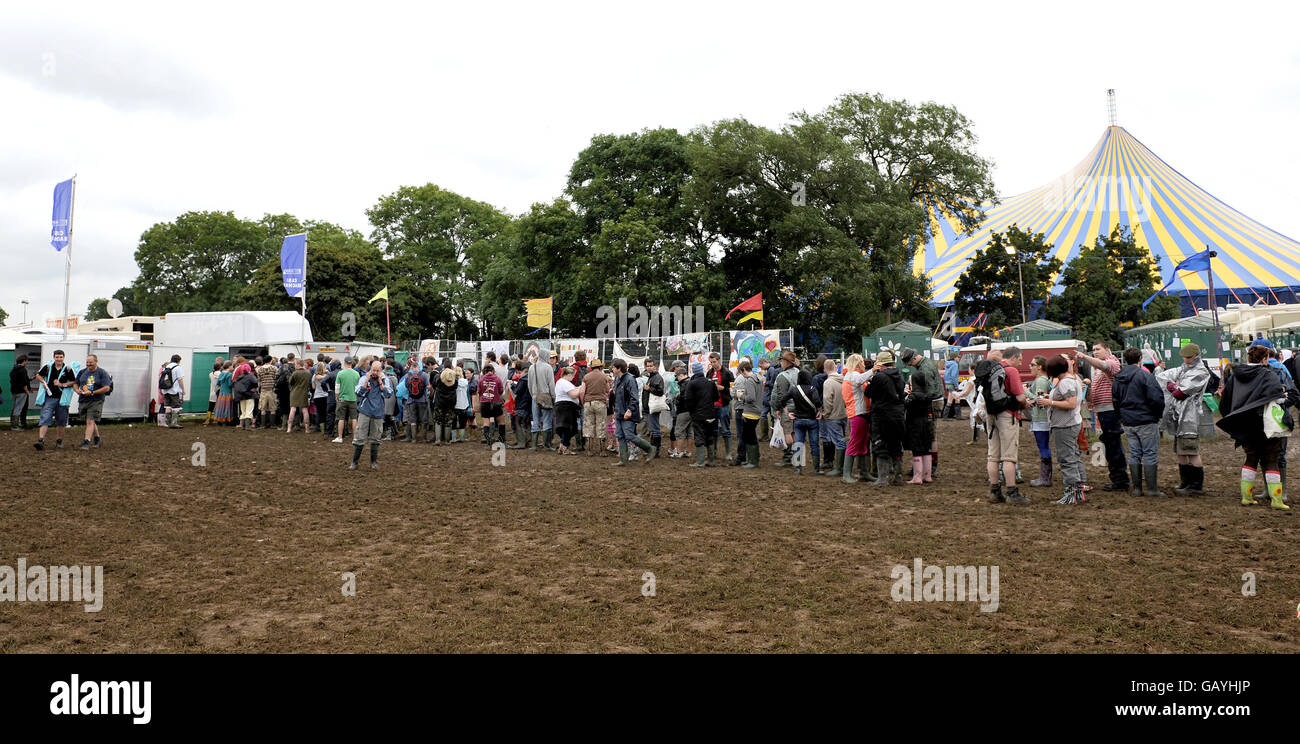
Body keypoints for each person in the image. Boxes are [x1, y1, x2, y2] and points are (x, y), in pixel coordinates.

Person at [1218, 344, 1293, 510]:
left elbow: (1225, 402)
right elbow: (1277, 396)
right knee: (1271, 460)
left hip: (1245, 425)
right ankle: (1277, 500)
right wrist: (1284, 396)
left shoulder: (1235, 375)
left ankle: (1247, 497)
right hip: (1265, 424)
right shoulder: (1268, 374)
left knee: (1250, 459)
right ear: (1265, 358)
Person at [1155, 343, 1212, 496]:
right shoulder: (1185, 368)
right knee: (1181, 450)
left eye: (1189, 357)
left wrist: (1172, 386)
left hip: (1189, 418)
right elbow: (1162, 378)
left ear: (1196, 356)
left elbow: (1181, 393)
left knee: (1191, 450)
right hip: (1179, 417)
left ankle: (1196, 485)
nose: (1186, 360)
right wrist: (1174, 385)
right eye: (1185, 357)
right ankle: (1186, 482)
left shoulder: (1200, 371)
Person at [1075, 341, 1130, 492]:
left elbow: (1104, 366)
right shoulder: (1098, 369)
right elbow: (1093, 396)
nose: (1095, 352)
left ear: (1108, 349)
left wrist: (1084, 356)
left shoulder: (1112, 362)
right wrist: (1086, 391)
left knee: (1113, 444)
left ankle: (1120, 480)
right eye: (1093, 350)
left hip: (1110, 410)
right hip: (1103, 409)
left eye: (1098, 349)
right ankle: (1117, 478)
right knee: (1110, 444)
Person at [1112, 347, 1167, 497]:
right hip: (1146, 420)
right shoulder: (1145, 376)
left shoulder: (1118, 378)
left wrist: (1121, 417)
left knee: (1134, 453)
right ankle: (1152, 489)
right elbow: (1156, 398)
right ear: (1140, 359)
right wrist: (1157, 415)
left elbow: (1115, 401)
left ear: (1125, 359)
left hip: (1128, 421)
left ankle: (1137, 488)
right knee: (1149, 453)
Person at [1036, 354, 1086, 505]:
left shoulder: (1065, 383)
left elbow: (1070, 404)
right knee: (1071, 457)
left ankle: (1071, 494)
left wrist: (1049, 401)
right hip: (1070, 423)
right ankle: (1077, 493)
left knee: (1067, 459)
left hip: (1065, 425)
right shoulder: (1071, 380)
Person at [982, 347, 1029, 504]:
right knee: (1009, 455)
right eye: (1021, 359)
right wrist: (1025, 404)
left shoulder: (991, 369)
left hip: (991, 414)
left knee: (993, 455)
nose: (1021, 362)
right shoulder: (1011, 371)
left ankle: (994, 491)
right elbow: (1021, 397)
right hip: (1008, 415)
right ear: (1014, 357)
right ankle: (1011, 492)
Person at [866, 351, 906, 486]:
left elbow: (868, 392)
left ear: (881, 364)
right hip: (898, 415)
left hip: (881, 416)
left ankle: (882, 478)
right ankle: (898, 476)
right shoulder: (899, 375)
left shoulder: (880, 377)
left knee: (880, 445)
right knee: (896, 445)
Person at [900, 348, 938, 485]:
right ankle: (928, 476)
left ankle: (917, 476)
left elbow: (904, 404)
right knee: (927, 449)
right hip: (926, 424)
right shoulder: (927, 396)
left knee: (917, 451)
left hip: (915, 425)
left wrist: (906, 395)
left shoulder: (913, 397)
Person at [775, 367, 822, 475]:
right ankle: (816, 469)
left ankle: (798, 468)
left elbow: (782, 401)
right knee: (814, 444)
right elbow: (817, 401)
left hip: (798, 420)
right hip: (811, 420)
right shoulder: (812, 388)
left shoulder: (794, 389)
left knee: (798, 443)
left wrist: (787, 413)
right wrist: (820, 411)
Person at [350, 361, 393, 471]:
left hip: (378, 412)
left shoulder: (385, 379)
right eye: (373, 370)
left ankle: (373, 462)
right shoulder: (364, 378)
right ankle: (354, 462)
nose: (375, 372)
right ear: (370, 369)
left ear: (381, 370)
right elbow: (358, 393)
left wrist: (380, 382)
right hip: (365, 411)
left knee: (376, 438)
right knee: (360, 437)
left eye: (377, 371)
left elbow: (388, 394)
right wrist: (366, 381)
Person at [611, 358, 654, 465]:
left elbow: (634, 397)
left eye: (613, 367)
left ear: (619, 368)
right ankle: (623, 460)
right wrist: (615, 410)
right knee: (620, 435)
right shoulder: (617, 379)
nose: (611, 369)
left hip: (628, 413)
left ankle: (650, 449)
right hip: (620, 412)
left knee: (629, 435)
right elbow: (616, 396)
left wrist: (629, 410)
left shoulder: (630, 379)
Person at [33, 349, 77, 450]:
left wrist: (62, 384)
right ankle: (40, 441)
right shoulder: (48, 367)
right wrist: (44, 382)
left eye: (61, 357)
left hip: (62, 399)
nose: (59, 359)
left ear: (63, 357)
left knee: (61, 421)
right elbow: (38, 375)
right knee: (45, 418)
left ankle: (59, 441)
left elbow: (73, 382)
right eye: (57, 357)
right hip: (49, 398)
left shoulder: (68, 369)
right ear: (54, 357)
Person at [679, 361, 719, 467]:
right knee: (710, 436)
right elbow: (716, 397)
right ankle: (711, 460)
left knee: (699, 436)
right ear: (702, 370)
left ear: (693, 371)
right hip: (711, 413)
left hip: (698, 415)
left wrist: (692, 411)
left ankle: (700, 461)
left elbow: (687, 399)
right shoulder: (710, 382)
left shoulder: (692, 383)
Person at [841, 354, 872, 484]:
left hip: (861, 413)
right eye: (863, 363)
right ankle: (846, 475)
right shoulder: (853, 375)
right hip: (857, 413)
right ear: (858, 364)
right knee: (855, 442)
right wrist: (874, 369)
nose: (864, 365)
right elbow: (861, 379)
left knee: (863, 443)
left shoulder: (852, 376)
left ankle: (864, 473)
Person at [74, 353, 113, 450]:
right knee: (90, 420)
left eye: (91, 362)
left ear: (96, 361)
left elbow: (106, 388)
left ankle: (86, 442)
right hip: (83, 399)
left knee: (90, 420)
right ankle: (97, 438)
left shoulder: (102, 373)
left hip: (96, 400)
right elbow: (75, 383)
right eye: (87, 362)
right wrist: (77, 390)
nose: (88, 364)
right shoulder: (82, 372)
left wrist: (92, 392)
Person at [769, 351, 800, 468]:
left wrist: (777, 408)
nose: (780, 362)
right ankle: (797, 458)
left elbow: (780, 396)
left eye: (782, 360)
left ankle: (788, 458)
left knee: (788, 433)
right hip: (798, 408)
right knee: (796, 433)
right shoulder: (799, 373)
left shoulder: (783, 376)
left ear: (787, 362)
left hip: (787, 409)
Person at [1026, 356, 1053, 487]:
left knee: (1043, 447)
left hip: (1041, 419)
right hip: (1042, 419)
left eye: (1032, 364)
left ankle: (1045, 478)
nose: (1029, 367)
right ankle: (1045, 477)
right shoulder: (1043, 380)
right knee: (1044, 447)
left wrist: (1026, 392)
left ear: (1039, 367)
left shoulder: (1041, 380)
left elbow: (1041, 401)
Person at [707, 352, 736, 465]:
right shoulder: (709, 373)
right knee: (713, 430)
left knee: (725, 429)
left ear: (719, 360)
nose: (713, 364)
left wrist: (722, 388)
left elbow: (733, 388)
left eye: (714, 362)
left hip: (724, 403)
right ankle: (713, 452)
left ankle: (728, 453)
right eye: (711, 362)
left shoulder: (727, 373)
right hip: (713, 404)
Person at [735, 359, 764, 467]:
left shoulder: (749, 381)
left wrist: (740, 396)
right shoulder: (758, 378)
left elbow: (751, 398)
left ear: (743, 370)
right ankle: (753, 459)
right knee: (750, 435)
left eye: (741, 372)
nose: (742, 375)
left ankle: (753, 461)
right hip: (756, 411)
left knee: (749, 436)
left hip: (750, 412)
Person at [820, 358, 846, 477]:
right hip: (843, 414)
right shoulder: (843, 379)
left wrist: (825, 414)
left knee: (839, 441)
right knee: (842, 439)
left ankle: (839, 468)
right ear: (835, 367)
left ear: (825, 369)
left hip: (833, 416)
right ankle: (841, 466)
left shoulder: (828, 382)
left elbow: (827, 401)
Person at [580, 359, 610, 457]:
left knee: (589, 426)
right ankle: (602, 451)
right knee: (601, 425)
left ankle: (589, 450)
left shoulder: (586, 377)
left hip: (588, 403)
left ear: (591, 367)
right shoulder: (604, 377)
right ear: (600, 367)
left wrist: (583, 401)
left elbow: (582, 391)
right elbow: (607, 390)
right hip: (600, 403)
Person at [528, 352, 556, 451]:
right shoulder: (548, 368)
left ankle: (534, 446)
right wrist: (553, 397)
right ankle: (546, 445)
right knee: (547, 420)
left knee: (535, 420)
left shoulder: (532, 367)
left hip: (535, 397)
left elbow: (529, 385)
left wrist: (534, 396)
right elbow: (551, 385)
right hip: (546, 397)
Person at [554, 366, 582, 455]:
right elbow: (574, 395)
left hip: (565, 406)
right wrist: (582, 388)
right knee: (568, 427)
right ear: (569, 375)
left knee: (566, 427)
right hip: (566, 407)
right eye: (573, 376)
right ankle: (565, 447)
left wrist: (578, 388)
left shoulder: (562, 382)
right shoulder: (564, 382)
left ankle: (562, 446)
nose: (573, 377)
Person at [332, 357, 361, 443]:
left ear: (344, 363)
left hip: (342, 399)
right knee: (354, 418)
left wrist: (336, 397)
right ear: (352, 363)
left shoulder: (340, 373)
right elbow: (358, 387)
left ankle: (340, 437)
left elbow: (337, 387)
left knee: (341, 418)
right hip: (353, 398)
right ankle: (355, 438)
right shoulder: (356, 374)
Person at [401, 361, 430, 442]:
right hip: (422, 400)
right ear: (418, 367)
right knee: (423, 419)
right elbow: (428, 386)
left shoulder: (407, 375)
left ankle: (414, 439)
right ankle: (424, 438)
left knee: (412, 419)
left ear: (411, 368)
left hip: (411, 400)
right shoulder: (424, 375)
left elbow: (407, 387)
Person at [432, 367, 459, 445]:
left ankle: (438, 440)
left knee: (438, 421)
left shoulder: (438, 379)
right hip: (450, 403)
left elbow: (434, 385)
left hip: (439, 403)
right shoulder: (455, 381)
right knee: (448, 421)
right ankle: (447, 440)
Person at [160, 354, 186, 429]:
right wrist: (183, 389)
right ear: (178, 360)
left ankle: (168, 423)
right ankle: (174, 423)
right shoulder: (178, 367)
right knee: (176, 406)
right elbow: (180, 379)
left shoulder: (167, 367)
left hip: (165, 389)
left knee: (167, 406)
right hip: (174, 390)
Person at [286, 359, 311, 433]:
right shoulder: (308, 373)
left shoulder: (295, 373)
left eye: (295, 364)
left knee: (293, 410)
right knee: (305, 410)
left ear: (298, 364)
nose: (294, 365)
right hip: (304, 393)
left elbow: (290, 382)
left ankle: (289, 428)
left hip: (294, 393)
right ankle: (307, 429)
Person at [257, 356, 279, 431]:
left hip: (263, 390)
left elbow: (259, 381)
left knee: (263, 408)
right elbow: (276, 379)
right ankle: (272, 424)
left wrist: (258, 390)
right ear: (270, 360)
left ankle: (263, 424)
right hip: (272, 390)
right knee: (272, 408)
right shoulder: (274, 368)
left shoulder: (260, 369)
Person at [942, 353, 961, 418]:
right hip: (952, 384)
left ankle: (957, 415)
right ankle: (946, 416)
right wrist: (956, 385)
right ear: (954, 358)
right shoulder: (955, 365)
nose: (959, 359)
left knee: (956, 399)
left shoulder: (948, 364)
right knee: (952, 399)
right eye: (958, 358)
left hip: (948, 384)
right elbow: (954, 376)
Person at [205, 360, 220, 426]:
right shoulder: (221, 373)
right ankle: (216, 419)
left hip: (212, 392)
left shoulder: (210, 374)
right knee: (218, 406)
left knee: (210, 407)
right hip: (218, 391)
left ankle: (207, 420)